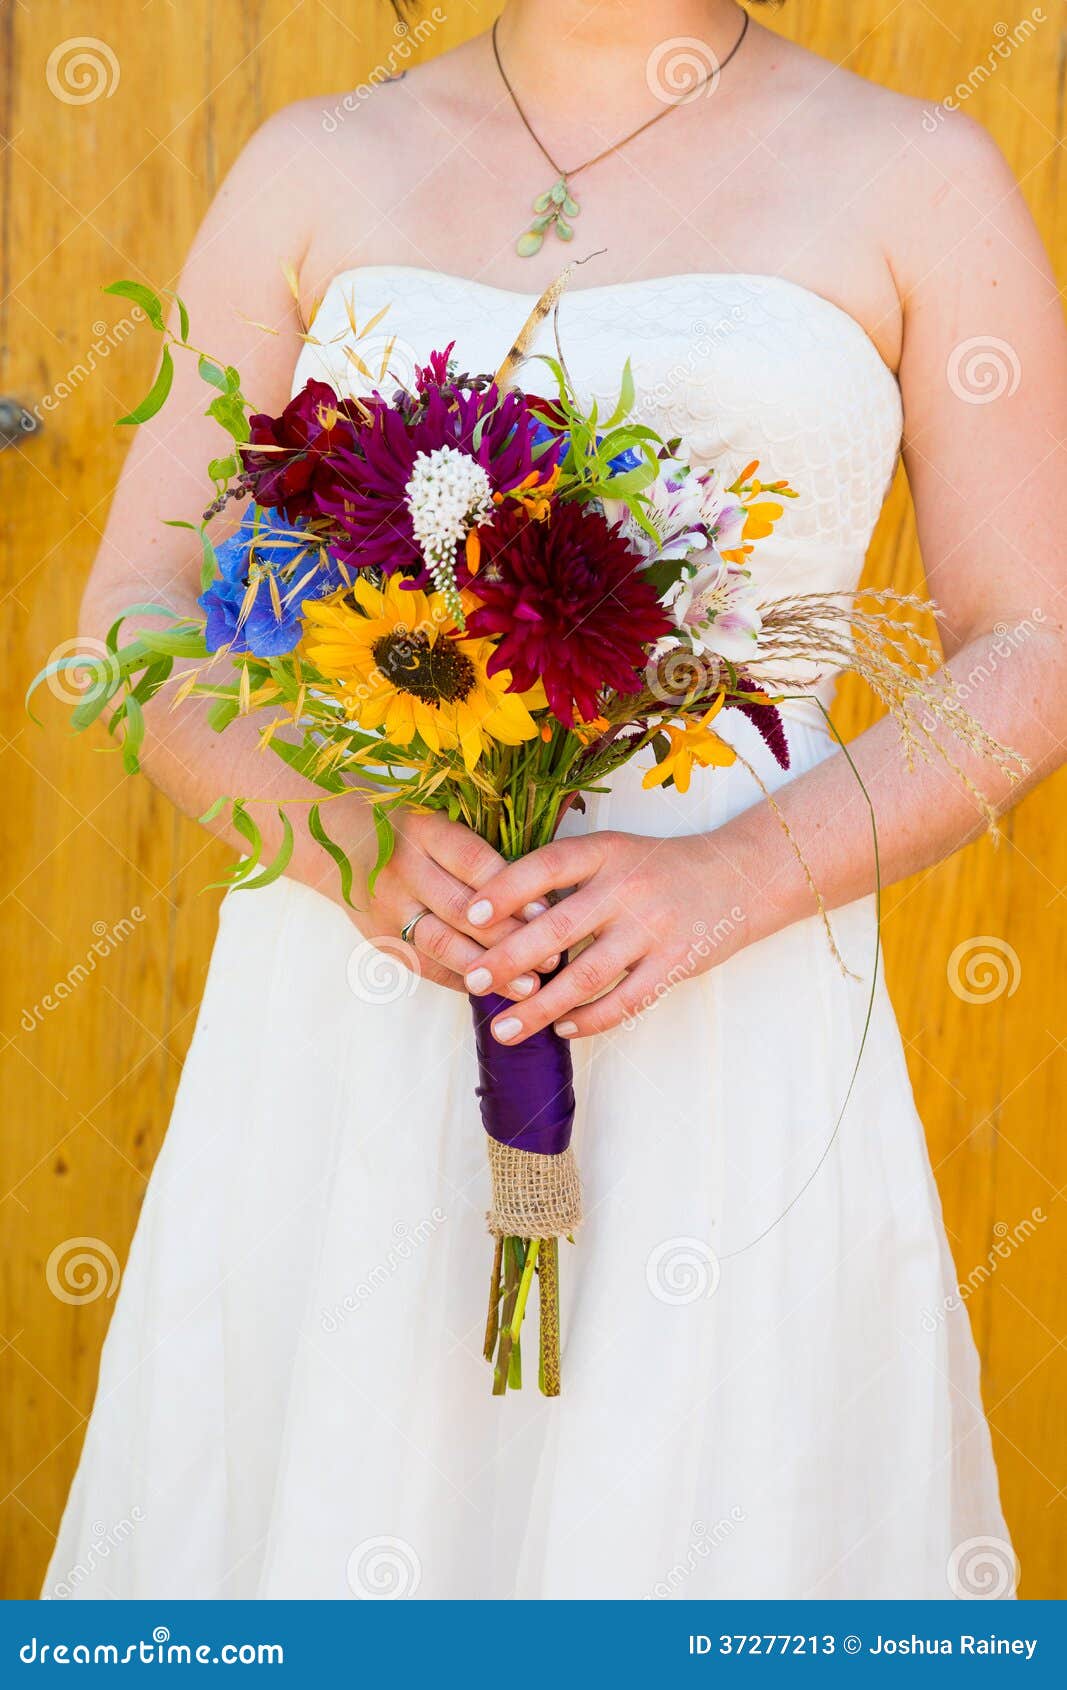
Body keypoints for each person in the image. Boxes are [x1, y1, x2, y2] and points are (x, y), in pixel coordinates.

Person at [48, 0, 1066, 1598]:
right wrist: (347, 838)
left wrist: (732, 880)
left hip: (729, 991)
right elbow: (139, 610)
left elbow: (1035, 642)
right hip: (362, 971)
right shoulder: (314, 163)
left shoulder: (919, 173)